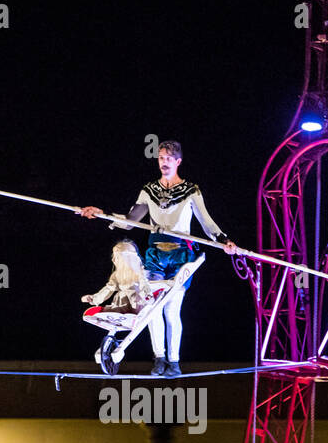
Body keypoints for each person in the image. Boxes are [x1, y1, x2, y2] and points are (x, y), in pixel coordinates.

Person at [81, 140, 236, 377]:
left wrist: (224, 240)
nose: (164, 162)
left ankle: (174, 362)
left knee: (171, 309)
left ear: (178, 162)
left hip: (181, 256)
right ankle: (159, 358)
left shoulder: (191, 191)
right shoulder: (149, 191)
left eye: (168, 159)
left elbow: (206, 222)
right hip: (154, 255)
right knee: (151, 308)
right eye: (161, 158)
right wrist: (103, 215)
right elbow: (131, 220)